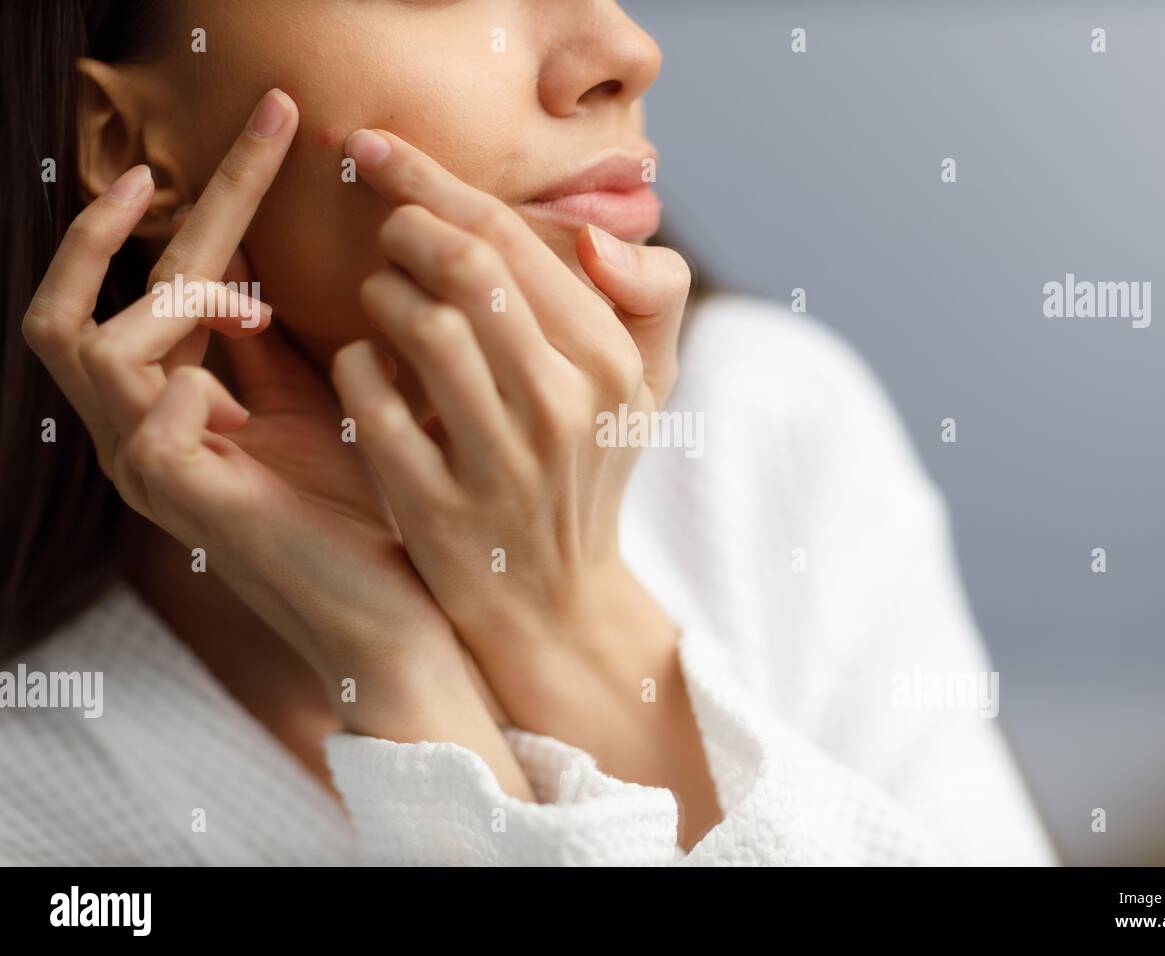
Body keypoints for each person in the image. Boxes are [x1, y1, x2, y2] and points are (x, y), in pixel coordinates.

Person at [0, 0, 1056, 865]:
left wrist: (566, 613)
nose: (624, 51)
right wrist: (400, 666)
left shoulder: (763, 421)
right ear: (127, 147)